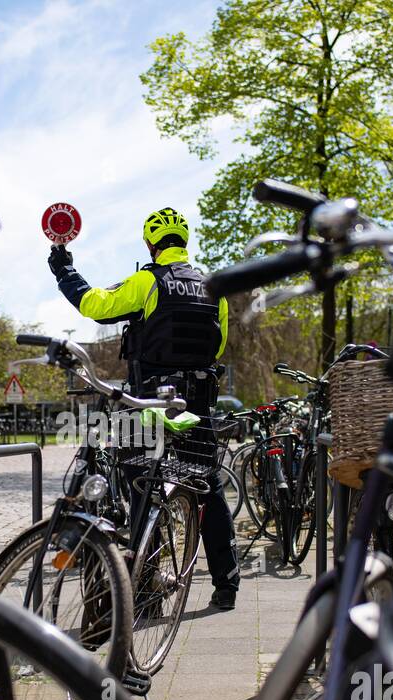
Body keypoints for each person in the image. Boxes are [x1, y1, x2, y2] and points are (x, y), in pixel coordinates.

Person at [47, 207, 240, 610]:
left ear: (151, 244)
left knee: (141, 485)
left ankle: (146, 589)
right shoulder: (212, 288)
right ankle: (226, 585)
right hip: (197, 403)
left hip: (147, 402)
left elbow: (96, 306)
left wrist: (64, 271)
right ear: (184, 243)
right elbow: (217, 347)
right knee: (208, 487)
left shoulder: (148, 281)